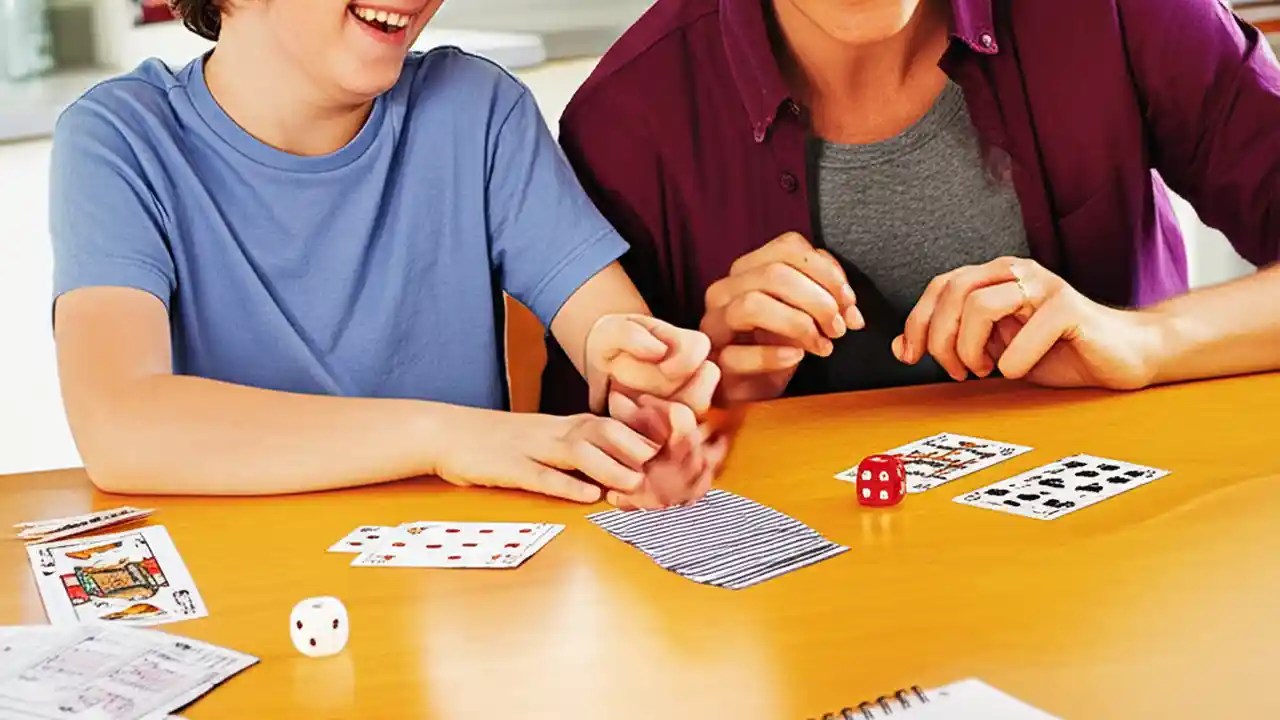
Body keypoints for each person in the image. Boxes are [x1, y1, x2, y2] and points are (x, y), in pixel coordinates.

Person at [49, 0, 727, 509]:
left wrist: (636, 373)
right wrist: (444, 438)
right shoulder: (120, 139)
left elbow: (604, 322)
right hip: (245, 586)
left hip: (459, 621)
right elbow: (120, 427)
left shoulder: (477, 110)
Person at [540, 0, 1280, 412]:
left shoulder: (1118, 12)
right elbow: (594, 460)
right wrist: (714, 389)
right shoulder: (626, 118)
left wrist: (1143, 342)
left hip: (1127, 555)